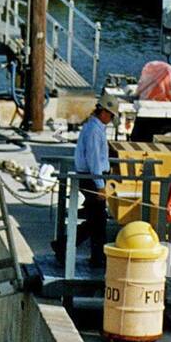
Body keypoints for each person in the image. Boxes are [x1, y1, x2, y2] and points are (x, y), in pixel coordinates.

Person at [62, 104, 115, 268]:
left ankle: (95, 256)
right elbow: (94, 160)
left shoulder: (94, 127)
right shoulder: (94, 130)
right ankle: (68, 247)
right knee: (98, 220)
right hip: (92, 177)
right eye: (111, 115)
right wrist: (100, 185)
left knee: (96, 219)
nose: (112, 119)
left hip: (92, 176)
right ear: (104, 112)